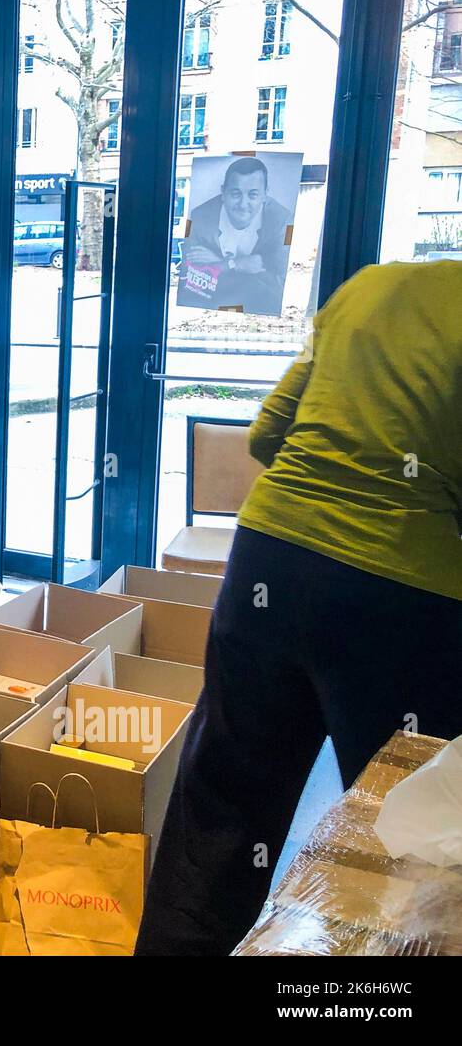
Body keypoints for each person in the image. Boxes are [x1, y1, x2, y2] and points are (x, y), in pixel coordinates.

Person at [136, 259, 462, 955]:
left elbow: (265, 435)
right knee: (410, 842)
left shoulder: (361, 292)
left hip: (270, 562)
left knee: (217, 818)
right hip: (402, 596)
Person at [179, 156, 293, 315]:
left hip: (258, 310)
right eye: (235, 193)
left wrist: (220, 264)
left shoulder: (282, 220)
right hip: (208, 308)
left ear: (265, 195)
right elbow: (189, 275)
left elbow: (277, 281)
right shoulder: (200, 216)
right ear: (223, 193)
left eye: (252, 195)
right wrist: (238, 264)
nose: (243, 204)